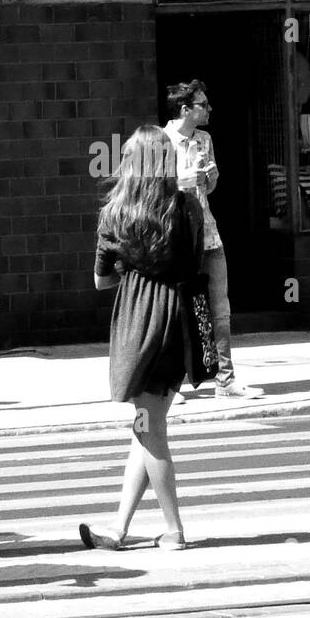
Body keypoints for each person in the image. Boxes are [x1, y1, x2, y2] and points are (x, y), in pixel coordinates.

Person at [79, 126, 198, 551]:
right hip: (178, 317)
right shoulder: (187, 207)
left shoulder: (115, 212)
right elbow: (194, 263)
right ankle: (119, 528)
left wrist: (132, 271)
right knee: (146, 426)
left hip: (137, 317)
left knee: (152, 429)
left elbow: (100, 280)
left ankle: (174, 529)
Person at [162, 80, 262, 401]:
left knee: (220, 307)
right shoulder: (161, 141)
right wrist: (186, 181)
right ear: (185, 109)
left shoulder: (205, 139)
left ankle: (225, 378)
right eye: (203, 104)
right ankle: (170, 382)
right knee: (177, 309)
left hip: (208, 231)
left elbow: (210, 188)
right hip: (178, 237)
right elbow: (154, 191)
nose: (208, 109)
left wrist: (209, 179)